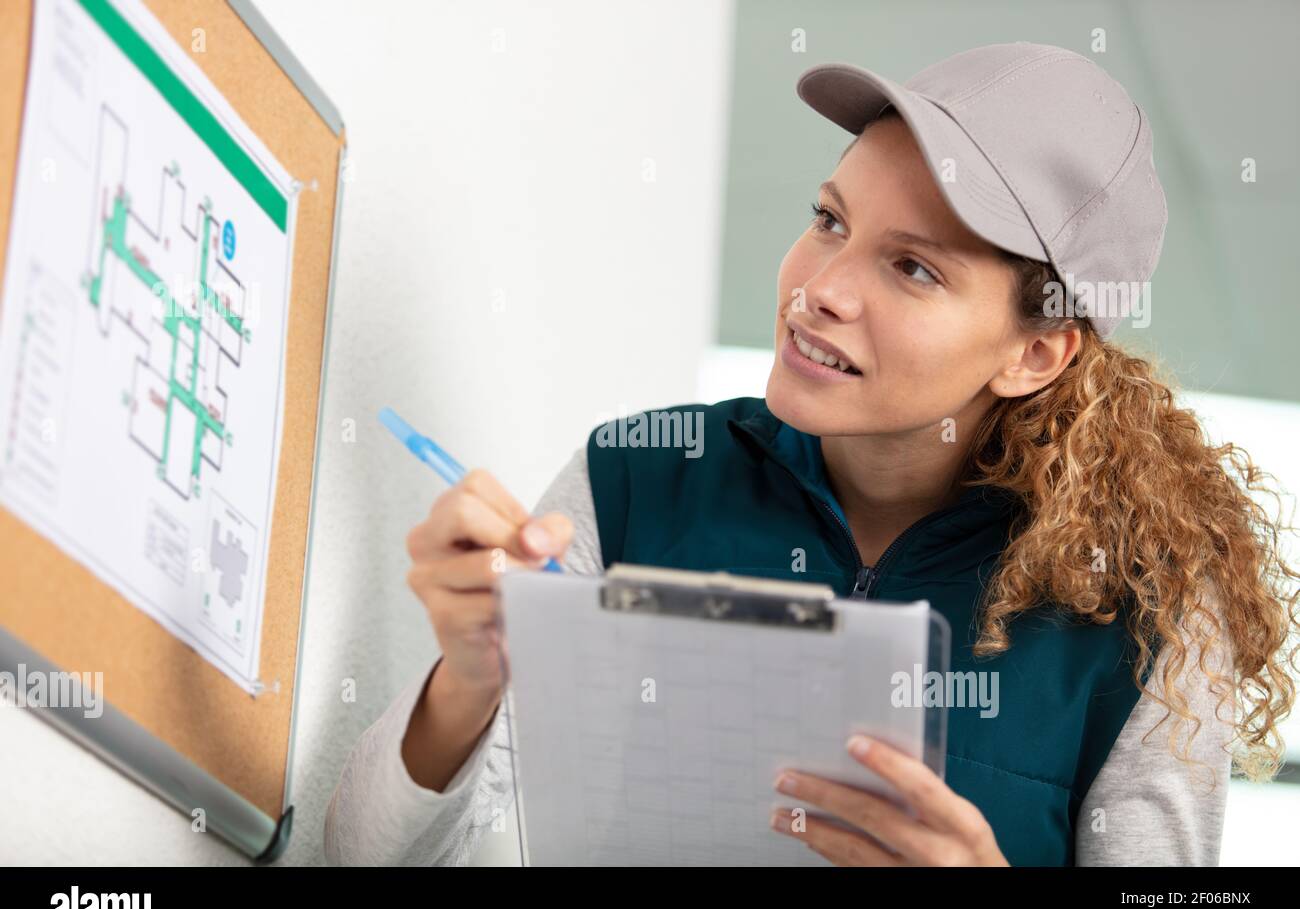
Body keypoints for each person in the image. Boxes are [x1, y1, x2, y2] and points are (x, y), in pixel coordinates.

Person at [324, 42, 1296, 866]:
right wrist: (467, 679)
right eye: (830, 218)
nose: (817, 287)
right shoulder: (631, 481)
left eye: (912, 266)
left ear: (1033, 351)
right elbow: (359, 854)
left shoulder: (1149, 617)